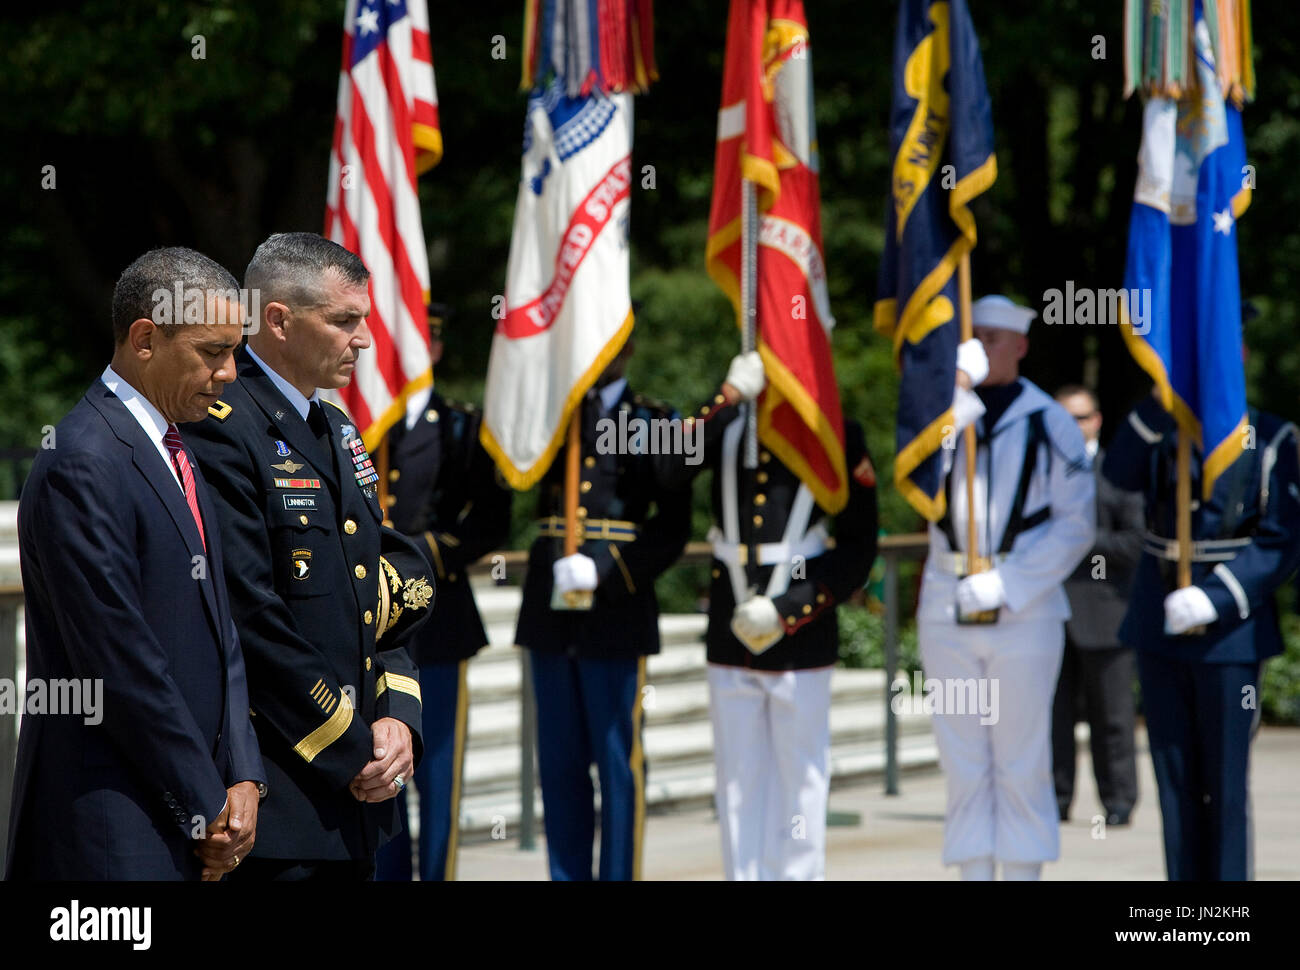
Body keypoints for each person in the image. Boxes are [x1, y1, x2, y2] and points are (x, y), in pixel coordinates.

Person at [6, 247, 265, 880]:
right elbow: (119, 660)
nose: (231, 372)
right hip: (113, 825)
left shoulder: (174, 445)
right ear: (146, 339)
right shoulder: (83, 459)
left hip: (190, 815)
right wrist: (207, 805)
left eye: (235, 350)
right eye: (212, 352)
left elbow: (220, 631)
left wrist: (247, 779)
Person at [185, 232, 433, 881]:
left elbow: (382, 585)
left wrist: (398, 717)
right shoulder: (221, 425)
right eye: (344, 320)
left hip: (356, 797)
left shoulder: (337, 428)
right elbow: (252, 615)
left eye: (364, 320)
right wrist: (349, 745)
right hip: (284, 798)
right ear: (279, 320)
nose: (365, 340)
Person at [672, 351, 878, 880]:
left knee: (801, 780)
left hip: (802, 630)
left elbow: (858, 548)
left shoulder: (836, 432)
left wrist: (791, 608)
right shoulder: (726, 425)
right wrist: (726, 399)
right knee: (736, 780)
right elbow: (669, 464)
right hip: (731, 623)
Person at [918, 295, 1095, 881]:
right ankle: (972, 872)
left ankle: (1020, 873)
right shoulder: (940, 415)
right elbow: (914, 487)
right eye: (977, 336)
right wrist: (950, 415)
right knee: (962, 757)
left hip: (1025, 609)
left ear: (1021, 345)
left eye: (996, 338)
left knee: (1020, 757)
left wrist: (1010, 583)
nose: (985, 346)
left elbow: (1076, 523)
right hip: (947, 601)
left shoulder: (1051, 421)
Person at [513, 338, 692, 881]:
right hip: (551, 610)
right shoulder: (552, 413)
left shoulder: (653, 419)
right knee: (560, 768)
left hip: (616, 611)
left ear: (627, 342)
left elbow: (673, 525)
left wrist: (608, 569)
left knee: (617, 767)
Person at [1102, 391, 1300, 880]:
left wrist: (1218, 595)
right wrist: (1156, 403)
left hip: (1231, 632)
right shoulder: (1164, 425)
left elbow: (1284, 537)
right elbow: (1116, 474)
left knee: (1226, 782)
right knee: (1175, 782)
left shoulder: (1272, 437)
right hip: (1160, 621)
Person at [375, 305, 512, 882]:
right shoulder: (359, 419)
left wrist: (422, 552)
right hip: (367, 625)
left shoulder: (462, 426)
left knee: (437, 774)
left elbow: (493, 522)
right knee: (380, 772)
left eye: (426, 339)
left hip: (440, 619)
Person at [1051, 385, 1143, 826]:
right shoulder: (1039, 471)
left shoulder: (1119, 472)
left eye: (1082, 418)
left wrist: (1080, 541)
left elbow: (1134, 543)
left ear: (1097, 420)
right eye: (1065, 418)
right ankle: (1055, 798)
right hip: (1050, 612)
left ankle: (1118, 801)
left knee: (1113, 717)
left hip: (1107, 612)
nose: (1075, 426)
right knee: (1054, 718)